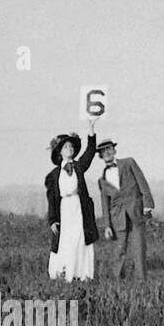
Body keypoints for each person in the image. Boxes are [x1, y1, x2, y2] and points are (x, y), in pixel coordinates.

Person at [95, 137, 155, 280]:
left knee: (138, 248)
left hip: (135, 211)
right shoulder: (102, 180)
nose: (107, 153)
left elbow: (142, 182)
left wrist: (148, 204)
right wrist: (107, 226)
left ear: (114, 150)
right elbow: (105, 204)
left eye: (109, 149)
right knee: (119, 250)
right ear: (101, 156)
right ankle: (117, 282)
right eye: (104, 151)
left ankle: (141, 281)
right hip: (118, 217)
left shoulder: (129, 163)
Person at [46, 120, 99, 281]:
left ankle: (83, 275)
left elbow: (90, 152)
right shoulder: (53, 176)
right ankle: (64, 274)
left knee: (80, 238)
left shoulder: (79, 166)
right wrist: (53, 220)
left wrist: (91, 132)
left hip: (79, 207)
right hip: (64, 209)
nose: (69, 149)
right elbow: (52, 200)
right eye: (65, 147)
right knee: (66, 240)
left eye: (71, 146)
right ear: (59, 152)